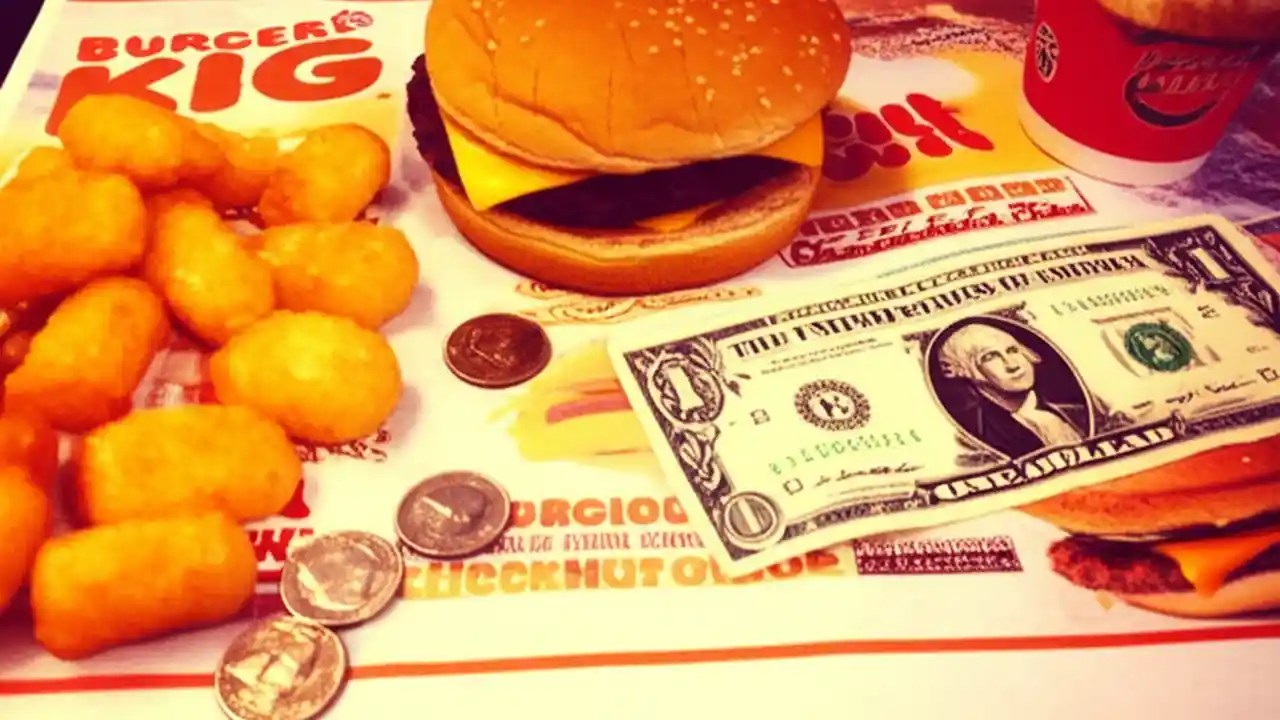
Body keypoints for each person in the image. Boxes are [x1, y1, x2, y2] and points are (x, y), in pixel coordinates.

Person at [937, 321, 1089, 458]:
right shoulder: (974, 438)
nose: (1012, 365)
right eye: (990, 357)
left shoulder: (1078, 413)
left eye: (1012, 350)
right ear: (963, 370)